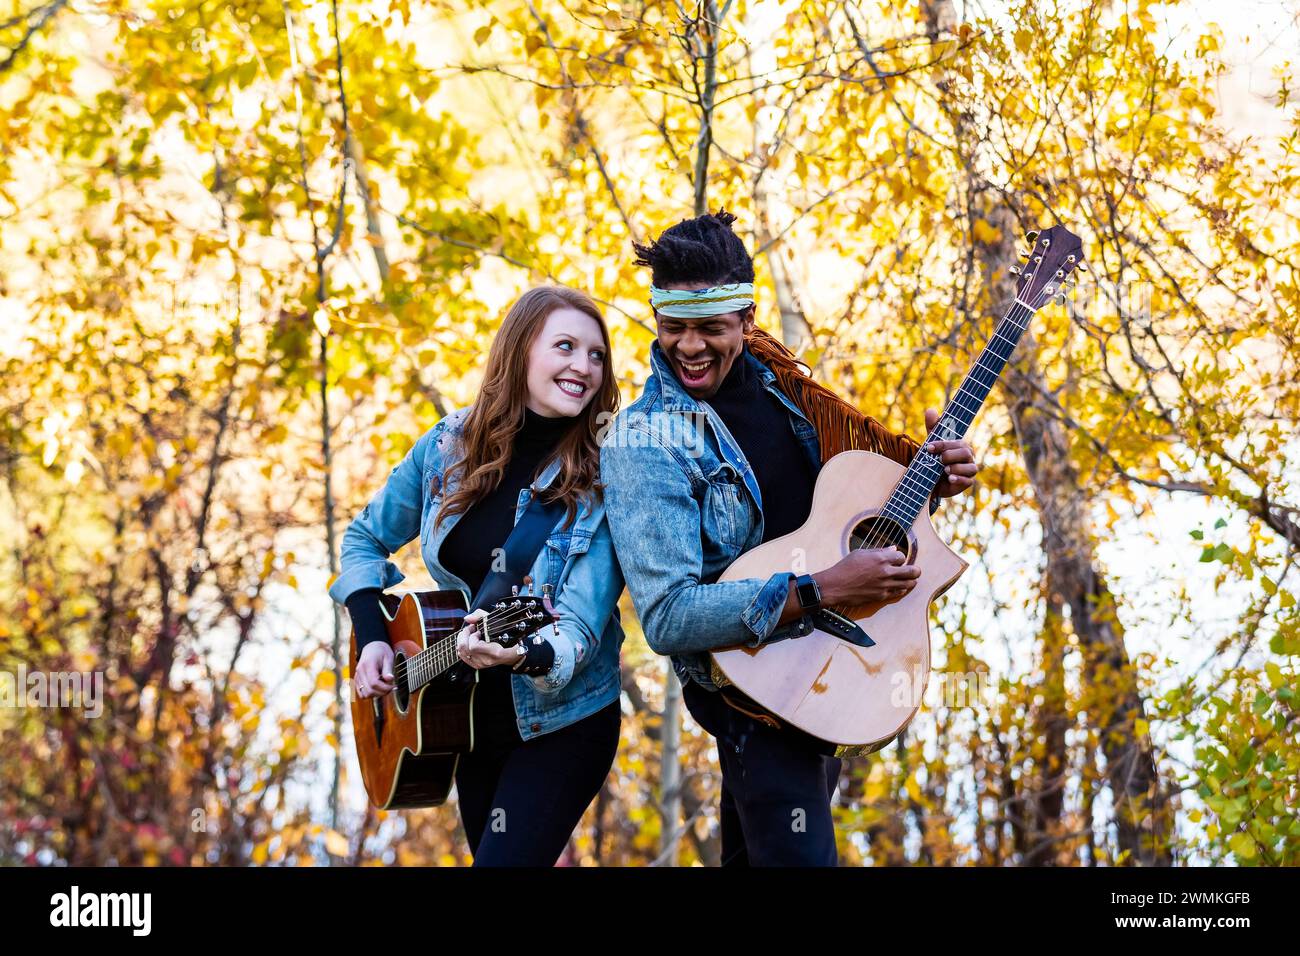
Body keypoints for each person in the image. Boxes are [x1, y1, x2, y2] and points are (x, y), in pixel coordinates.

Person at [599, 211, 979, 866]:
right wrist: (824, 587)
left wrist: (933, 473)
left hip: (828, 665)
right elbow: (666, 618)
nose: (689, 347)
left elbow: (846, 506)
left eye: (711, 328)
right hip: (753, 692)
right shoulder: (644, 439)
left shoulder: (786, 389)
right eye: (673, 327)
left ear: (747, 320)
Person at [329, 285, 625, 866]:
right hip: (464, 722)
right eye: (565, 345)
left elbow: (582, 627)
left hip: (563, 721)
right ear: (519, 352)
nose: (583, 366)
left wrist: (525, 655)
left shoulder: (605, 476)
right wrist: (370, 636)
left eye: (596, 355)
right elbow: (364, 538)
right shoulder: (448, 445)